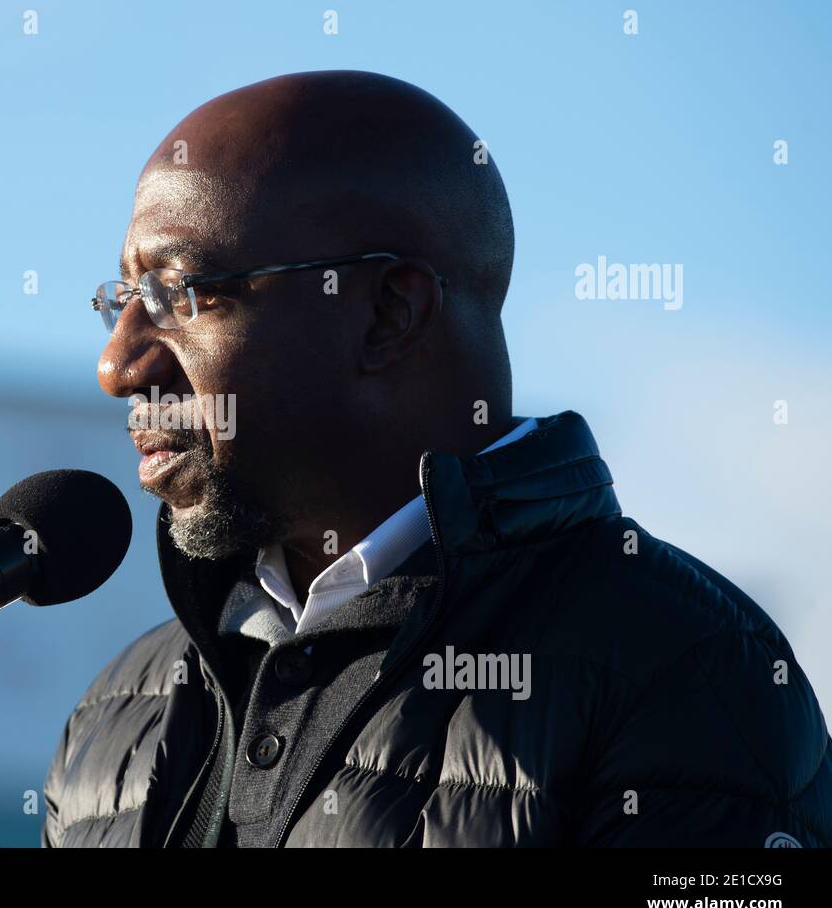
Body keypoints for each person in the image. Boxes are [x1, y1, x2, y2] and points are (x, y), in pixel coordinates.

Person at [41, 70, 831, 847]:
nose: (118, 367)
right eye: (122, 299)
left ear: (390, 312)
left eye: (179, 294)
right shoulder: (118, 710)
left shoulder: (686, 671)